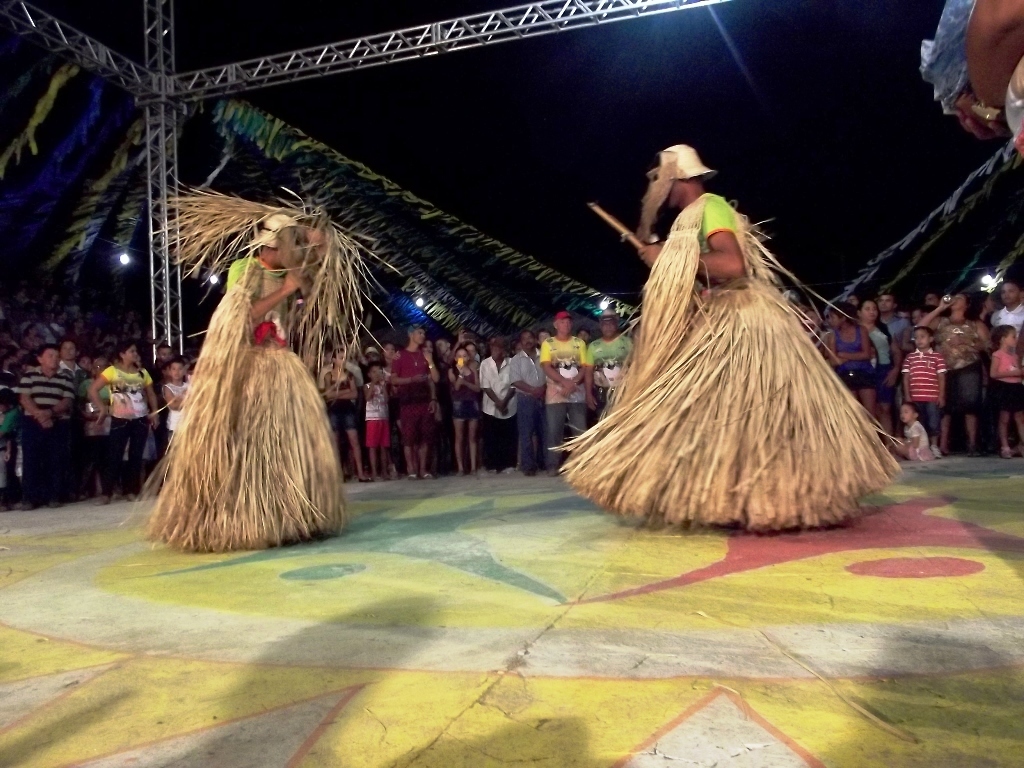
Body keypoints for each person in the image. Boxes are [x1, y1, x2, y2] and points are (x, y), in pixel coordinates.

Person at [564, 145, 897, 530]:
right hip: (720, 321)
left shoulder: (712, 206)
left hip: (742, 323)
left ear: (680, 177)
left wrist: (669, 259)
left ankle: (782, 497)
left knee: (755, 415)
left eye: (662, 178)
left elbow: (732, 263)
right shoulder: (690, 217)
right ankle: (745, 499)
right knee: (728, 420)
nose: (658, 188)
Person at [147, 194, 364, 552]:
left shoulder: (293, 272)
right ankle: (239, 520)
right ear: (272, 246)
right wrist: (286, 290)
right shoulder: (244, 270)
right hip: (250, 369)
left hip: (281, 368)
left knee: (284, 446)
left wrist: (307, 234)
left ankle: (291, 515)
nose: (294, 251)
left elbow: (323, 246)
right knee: (248, 446)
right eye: (288, 244)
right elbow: (243, 318)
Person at [89, 341, 159, 504]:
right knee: (114, 455)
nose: (135, 354)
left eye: (135, 351)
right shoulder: (112, 371)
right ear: (122, 354)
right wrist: (102, 408)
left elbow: (151, 394)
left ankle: (131, 490)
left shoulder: (142, 372)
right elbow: (92, 389)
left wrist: (154, 412)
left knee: (135, 456)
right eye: (131, 351)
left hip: (140, 419)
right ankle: (107, 493)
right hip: (120, 419)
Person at [923, 294, 990, 454]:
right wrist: (940, 308)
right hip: (943, 368)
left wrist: (967, 343)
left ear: (967, 304)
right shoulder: (940, 321)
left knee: (970, 406)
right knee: (945, 407)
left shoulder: (975, 323)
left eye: (959, 298)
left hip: (969, 367)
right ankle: (943, 445)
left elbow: (987, 344)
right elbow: (920, 327)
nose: (955, 300)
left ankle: (972, 444)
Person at [18, 344, 75, 509]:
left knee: (55, 460)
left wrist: (49, 413)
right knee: (31, 460)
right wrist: (40, 415)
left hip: (57, 422)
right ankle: (29, 498)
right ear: (40, 359)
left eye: (57, 356)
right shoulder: (29, 375)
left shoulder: (65, 377)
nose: (55, 359)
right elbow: (24, 398)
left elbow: (67, 401)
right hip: (33, 422)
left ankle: (54, 496)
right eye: (50, 355)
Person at [540, 311, 591, 476]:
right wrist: (564, 382)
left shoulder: (579, 343)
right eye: (562, 322)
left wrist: (573, 382)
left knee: (580, 430)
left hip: (577, 393)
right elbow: (546, 366)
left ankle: (581, 465)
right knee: (554, 431)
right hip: (555, 394)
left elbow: (584, 367)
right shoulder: (548, 343)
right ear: (556, 324)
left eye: (569, 322)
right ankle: (553, 465)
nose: (566, 324)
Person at [391, 326, 440, 479]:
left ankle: (423, 469)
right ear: (410, 334)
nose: (423, 335)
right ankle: (411, 469)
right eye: (419, 332)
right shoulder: (400, 356)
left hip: (424, 401)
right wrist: (411, 380)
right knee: (409, 438)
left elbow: (435, 379)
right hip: (407, 401)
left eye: (424, 333)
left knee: (425, 437)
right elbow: (393, 379)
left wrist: (433, 398)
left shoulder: (425, 354)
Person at [320, 349, 368, 482]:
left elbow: (355, 394)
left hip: (347, 409)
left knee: (354, 441)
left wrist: (337, 393)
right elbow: (327, 395)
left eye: (344, 358)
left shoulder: (349, 375)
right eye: (341, 358)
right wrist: (345, 391)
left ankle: (360, 473)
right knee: (335, 443)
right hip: (335, 409)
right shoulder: (328, 376)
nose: (343, 361)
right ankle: (338, 473)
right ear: (334, 360)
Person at [859, 299, 903, 435]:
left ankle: (889, 445)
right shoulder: (854, 330)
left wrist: (895, 369)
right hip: (863, 371)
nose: (872, 312)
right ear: (858, 312)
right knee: (868, 410)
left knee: (885, 408)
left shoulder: (883, 329)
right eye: (867, 309)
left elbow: (896, 351)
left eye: (874, 309)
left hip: (884, 370)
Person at [902, 326, 947, 458]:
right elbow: (906, 378)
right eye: (916, 338)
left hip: (932, 396)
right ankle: (920, 448)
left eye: (923, 337)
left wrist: (941, 395)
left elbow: (941, 377)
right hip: (915, 397)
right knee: (917, 423)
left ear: (930, 339)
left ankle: (934, 445)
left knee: (933, 421)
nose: (919, 340)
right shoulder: (910, 358)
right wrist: (907, 395)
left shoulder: (937, 357)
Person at [825, 303, 876, 415]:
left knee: (870, 413)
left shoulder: (861, 330)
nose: (830, 320)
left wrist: (843, 354)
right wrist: (856, 355)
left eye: (832, 317)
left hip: (864, 373)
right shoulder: (832, 336)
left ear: (843, 318)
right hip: (845, 374)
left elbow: (866, 354)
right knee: (853, 413)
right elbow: (834, 361)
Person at [510, 329, 547, 476]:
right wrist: (533, 390)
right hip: (525, 398)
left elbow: (549, 374)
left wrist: (542, 389)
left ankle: (544, 462)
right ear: (520, 342)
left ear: (535, 340)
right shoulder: (516, 359)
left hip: (544, 396)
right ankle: (528, 466)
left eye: (530, 337)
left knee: (544, 432)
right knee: (526, 433)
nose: (527, 341)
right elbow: (515, 380)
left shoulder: (544, 356)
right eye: (524, 338)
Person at [586, 308, 633, 421]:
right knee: (603, 422)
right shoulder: (593, 346)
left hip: (623, 391)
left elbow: (636, 365)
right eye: (604, 324)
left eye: (611, 324)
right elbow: (588, 372)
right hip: (601, 392)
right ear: (601, 326)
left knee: (623, 422)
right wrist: (588, 394)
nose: (608, 327)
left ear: (616, 324)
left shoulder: (627, 343)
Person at [479, 336, 517, 473]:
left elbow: (514, 385)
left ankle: (508, 464)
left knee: (508, 436)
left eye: (498, 347)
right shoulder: (485, 364)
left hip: (509, 404)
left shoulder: (512, 363)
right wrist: (498, 402)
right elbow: (485, 386)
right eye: (492, 347)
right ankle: (492, 465)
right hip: (491, 405)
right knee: (491, 436)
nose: (494, 350)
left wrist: (504, 402)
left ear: (504, 349)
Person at [989, 324, 1024, 457]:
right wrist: (1015, 373)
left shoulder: (1015, 356)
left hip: (1016, 388)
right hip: (1005, 388)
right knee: (1004, 418)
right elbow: (993, 374)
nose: (1015, 339)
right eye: (1013, 337)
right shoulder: (997, 354)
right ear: (1003, 339)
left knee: (1020, 417)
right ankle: (1005, 446)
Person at [80, 355, 110, 499]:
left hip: (109, 420)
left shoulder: (112, 384)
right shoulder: (86, 384)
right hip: (91, 421)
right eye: (97, 367)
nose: (101, 369)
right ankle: (90, 489)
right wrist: (85, 414)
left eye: (104, 366)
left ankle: (108, 488)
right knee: (93, 457)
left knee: (108, 456)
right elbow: (79, 403)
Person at [448, 344, 481, 475]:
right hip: (459, 403)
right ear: (455, 358)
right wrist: (461, 375)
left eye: (464, 355)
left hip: (472, 402)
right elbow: (456, 387)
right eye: (459, 356)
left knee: (472, 437)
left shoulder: (473, 371)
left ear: (468, 357)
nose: (462, 358)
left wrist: (466, 382)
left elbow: (477, 388)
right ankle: (461, 467)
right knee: (459, 437)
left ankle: (473, 467)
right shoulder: (452, 371)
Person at [363, 362, 391, 481]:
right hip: (372, 418)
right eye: (374, 372)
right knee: (373, 447)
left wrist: (383, 385)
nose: (377, 374)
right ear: (369, 374)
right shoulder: (368, 385)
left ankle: (384, 471)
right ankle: (374, 472)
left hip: (383, 417)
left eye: (379, 371)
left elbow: (386, 398)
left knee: (383, 446)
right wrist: (374, 383)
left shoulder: (383, 385)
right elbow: (367, 397)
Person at [161, 356, 189, 446]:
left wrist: (179, 399)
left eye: (180, 369)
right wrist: (188, 398)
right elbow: (174, 406)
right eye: (174, 369)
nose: (177, 372)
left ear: (185, 371)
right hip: (175, 426)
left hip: (189, 425)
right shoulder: (167, 388)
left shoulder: (189, 386)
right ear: (169, 371)